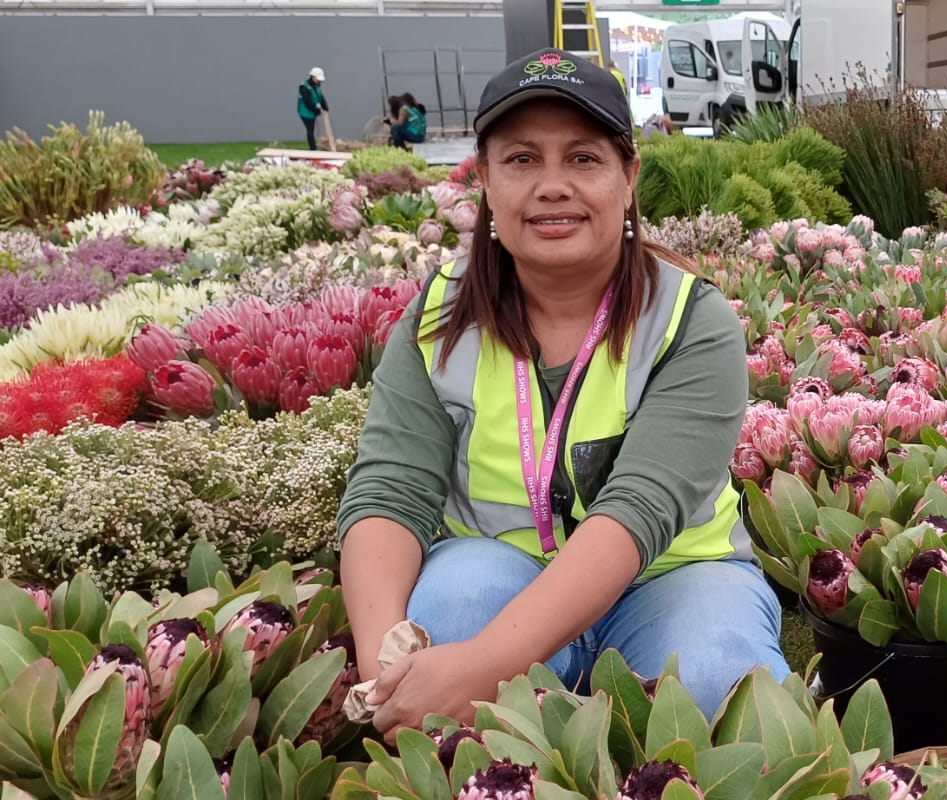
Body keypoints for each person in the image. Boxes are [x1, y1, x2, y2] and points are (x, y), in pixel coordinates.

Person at [338, 47, 788, 735]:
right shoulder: (439, 318)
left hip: (669, 577)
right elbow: (389, 490)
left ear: (628, 178)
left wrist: (481, 666)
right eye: (522, 159)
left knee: (715, 691)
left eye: (583, 158)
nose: (553, 186)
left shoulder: (691, 320)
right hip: (498, 568)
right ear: (485, 179)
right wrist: (388, 672)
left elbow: (639, 510)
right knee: (448, 625)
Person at [297, 67, 329, 151]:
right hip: (305, 112)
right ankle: (313, 148)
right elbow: (308, 102)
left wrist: (325, 106)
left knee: (313, 129)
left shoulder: (316, 86)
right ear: (313, 77)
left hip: (313, 111)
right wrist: (317, 110)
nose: (320, 82)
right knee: (310, 130)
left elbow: (321, 96)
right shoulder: (304, 87)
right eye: (318, 80)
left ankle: (315, 147)